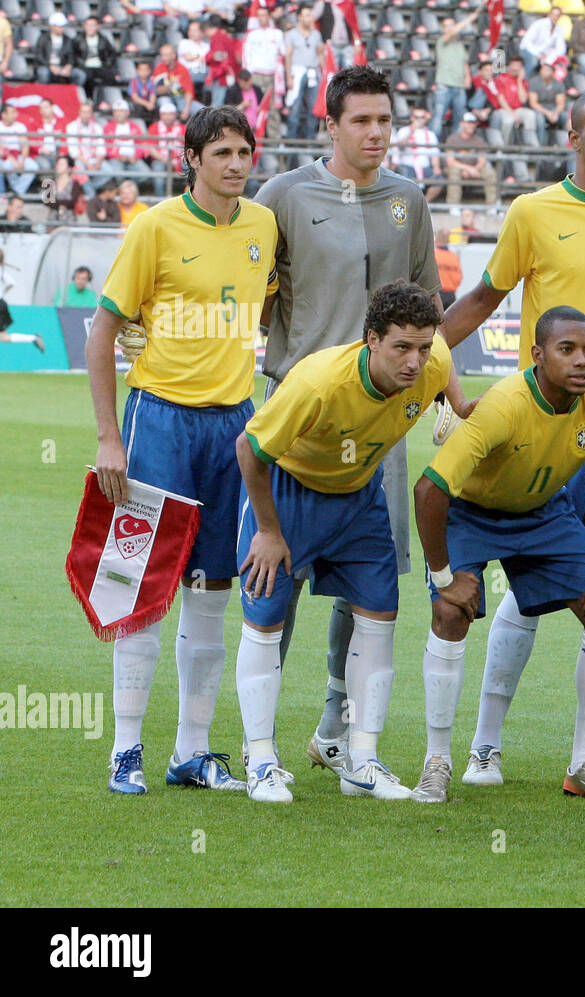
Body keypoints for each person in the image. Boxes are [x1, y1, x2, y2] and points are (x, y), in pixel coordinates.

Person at [439, 91, 585, 788]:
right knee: (524, 591)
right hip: (546, 431)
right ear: (573, 137)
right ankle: (483, 747)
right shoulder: (533, 212)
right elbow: (484, 298)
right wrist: (425, 354)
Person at [252, 65, 457, 779]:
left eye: (385, 120)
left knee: (370, 580)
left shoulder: (409, 199)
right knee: (275, 577)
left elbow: (430, 309)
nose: (375, 133)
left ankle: (335, 724)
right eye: (361, 120)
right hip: (299, 414)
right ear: (330, 125)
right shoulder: (281, 195)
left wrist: (444, 397)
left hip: (378, 425)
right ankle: (258, 743)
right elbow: (249, 294)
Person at [85, 105, 279, 796]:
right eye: (221, 151)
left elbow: (267, 307)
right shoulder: (154, 227)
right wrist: (111, 435)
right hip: (159, 421)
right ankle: (124, 748)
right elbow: (102, 333)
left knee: (210, 591)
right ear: (191, 157)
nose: (235, 163)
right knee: (136, 586)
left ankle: (190, 751)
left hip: (232, 429)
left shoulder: (263, 225)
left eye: (244, 151)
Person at [413, 306, 585, 802]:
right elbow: (429, 490)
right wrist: (445, 575)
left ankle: (584, 762)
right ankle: (437, 762)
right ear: (537, 355)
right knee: (450, 611)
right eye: (567, 350)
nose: (582, 361)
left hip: (543, 515)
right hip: (473, 512)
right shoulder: (503, 404)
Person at [234, 282, 452, 802]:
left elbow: (442, 369)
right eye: (402, 347)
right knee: (265, 622)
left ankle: (362, 759)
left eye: (423, 348)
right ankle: (261, 760)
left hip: (359, 498)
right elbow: (250, 448)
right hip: (290, 495)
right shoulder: (317, 383)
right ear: (371, 340)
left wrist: (456, 401)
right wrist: (268, 531)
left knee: (380, 618)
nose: (415, 361)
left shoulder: (432, 363)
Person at [470, 59, 539, 183]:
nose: (489, 72)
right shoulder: (477, 82)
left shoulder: (491, 83)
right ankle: (507, 172)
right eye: (486, 70)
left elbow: (494, 102)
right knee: (502, 145)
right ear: (480, 71)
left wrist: (486, 110)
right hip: (480, 123)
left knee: (507, 146)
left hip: (493, 121)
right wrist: (477, 112)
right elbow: (472, 103)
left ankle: (529, 149)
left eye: (491, 70)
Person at [432, 7, 482, 139]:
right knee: (438, 116)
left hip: (459, 86)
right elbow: (452, 32)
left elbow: (464, 63)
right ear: (443, 29)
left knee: (459, 118)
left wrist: (467, 77)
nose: (449, 28)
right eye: (446, 26)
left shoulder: (459, 44)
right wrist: (469, 19)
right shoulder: (441, 41)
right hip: (444, 84)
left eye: (451, 25)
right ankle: (431, 145)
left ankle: (453, 144)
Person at [284, 5, 327, 143]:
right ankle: (291, 141)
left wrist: (324, 72)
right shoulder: (292, 34)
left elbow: (320, 54)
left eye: (310, 15)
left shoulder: (316, 34)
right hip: (297, 71)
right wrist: (288, 76)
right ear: (299, 17)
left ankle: (310, 140)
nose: (310, 18)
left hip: (313, 72)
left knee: (313, 108)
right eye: (307, 15)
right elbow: (288, 56)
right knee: (295, 108)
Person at [243, 6, 286, 140]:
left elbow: (283, 52)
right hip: (256, 75)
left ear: (269, 16)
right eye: (259, 15)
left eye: (264, 15)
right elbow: (246, 54)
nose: (262, 18)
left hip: (272, 75)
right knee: (255, 107)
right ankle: (253, 138)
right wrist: (248, 75)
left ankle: (274, 140)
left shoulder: (277, 33)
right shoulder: (252, 34)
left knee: (273, 109)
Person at [390, 105, 445, 202]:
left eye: (422, 117)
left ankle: (425, 203)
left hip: (425, 167)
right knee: (407, 180)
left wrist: (436, 167)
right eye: (416, 117)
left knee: (440, 180)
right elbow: (400, 146)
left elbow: (434, 153)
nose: (419, 120)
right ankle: (412, 204)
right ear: (412, 118)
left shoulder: (430, 134)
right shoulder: (404, 131)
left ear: (426, 119)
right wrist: (412, 131)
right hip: (407, 165)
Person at [443, 112, 498, 204]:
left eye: (473, 123)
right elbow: (450, 161)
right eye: (468, 123)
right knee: (454, 171)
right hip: (457, 167)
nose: (471, 125)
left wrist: (474, 169)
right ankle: (453, 205)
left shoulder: (479, 140)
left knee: (490, 173)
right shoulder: (452, 139)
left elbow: (482, 161)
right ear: (461, 124)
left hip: (474, 168)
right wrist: (468, 169)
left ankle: (492, 205)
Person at [0, 248, 43, 352]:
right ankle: (33, 338)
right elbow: (11, 283)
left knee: (4, 337)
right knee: (4, 337)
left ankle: (33, 338)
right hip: (1, 303)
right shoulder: (2, 271)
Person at [104, 100, 151, 185]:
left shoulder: (135, 127)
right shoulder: (107, 128)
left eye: (121, 111)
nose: (118, 113)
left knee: (145, 173)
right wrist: (117, 155)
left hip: (133, 159)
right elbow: (105, 147)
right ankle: (121, 192)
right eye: (116, 111)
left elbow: (142, 144)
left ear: (127, 112)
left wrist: (135, 156)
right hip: (116, 159)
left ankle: (130, 188)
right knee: (117, 174)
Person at [146, 101, 186, 196]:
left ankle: (190, 198)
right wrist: (166, 160)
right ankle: (160, 201)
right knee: (158, 170)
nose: (167, 117)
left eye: (170, 114)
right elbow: (151, 148)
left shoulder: (182, 127)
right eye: (165, 114)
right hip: (160, 159)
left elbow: (188, 146)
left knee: (192, 167)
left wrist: (183, 156)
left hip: (180, 157)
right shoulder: (154, 127)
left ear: (175, 115)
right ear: (160, 115)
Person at [36, 13, 85, 87]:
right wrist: (50, 66)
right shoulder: (43, 38)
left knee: (80, 75)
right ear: (52, 26)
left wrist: (69, 66)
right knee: (43, 73)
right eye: (60, 26)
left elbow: (71, 55)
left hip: (62, 66)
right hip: (47, 66)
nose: (62, 29)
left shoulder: (68, 39)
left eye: (63, 26)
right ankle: (44, 95)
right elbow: (39, 56)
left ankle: (71, 95)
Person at [0, 103, 39, 197]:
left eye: (15, 112)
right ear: (3, 115)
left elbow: (25, 145)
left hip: (18, 155)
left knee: (33, 167)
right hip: (4, 156)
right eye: (12, 112)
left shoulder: (20, 126)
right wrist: (14, 162)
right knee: (8, 166)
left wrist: (22, 161)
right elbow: (1, 148)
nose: (15, 114)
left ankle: (17, 191)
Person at [520, 6, 569, 78]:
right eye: (553, 14)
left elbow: (561, 48)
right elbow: (526, 42)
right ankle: (526, 81)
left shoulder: (559, 28)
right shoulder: (539, 24)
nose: (555, 17)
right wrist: (537, 54)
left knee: (563, 61)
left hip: (545, 53)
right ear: (549, 14)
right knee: (533, 61)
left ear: (560, 16)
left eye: (557, 15)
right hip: (528, 50)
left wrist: (550, 56)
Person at [529, 62, 568, 147]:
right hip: (539, 109)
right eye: (542, 70)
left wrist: (556, 113)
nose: (543, 72)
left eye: (547, 70)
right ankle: (540, 146)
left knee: (565, 116)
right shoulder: (534, 82)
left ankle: (566, 145)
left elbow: (561, 103)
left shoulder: (558, 84)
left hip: (554, 109)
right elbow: (533, 103)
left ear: (552, 72)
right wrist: (547, 113)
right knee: (539, 118)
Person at [153, 44, 196, 121]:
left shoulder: (182, 69)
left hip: (180, 97)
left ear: (173, 55)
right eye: (162, 55)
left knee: (201, 110)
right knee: (166, 105)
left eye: (166, 55)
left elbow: (188, 91)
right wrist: (171, 84)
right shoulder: (159, 68)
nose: (163, 58)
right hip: (164, 97)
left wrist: (187, 109)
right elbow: (157, 91)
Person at [47, 156, 85, 224]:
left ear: (69, 167)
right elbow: (48, 201)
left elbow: (73, 201)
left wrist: (57, 203)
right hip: (52, 218)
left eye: (61, 164)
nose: (58, 166)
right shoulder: (50, 182)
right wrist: (63, 203)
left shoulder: (75, 184)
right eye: (57, 164)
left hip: (69, 219)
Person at [434, 229, 461, 312]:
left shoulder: (433, 255)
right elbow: (459, 278)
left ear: (437, 239)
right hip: (451, 296)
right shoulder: (454, 256)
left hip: (437, 295)